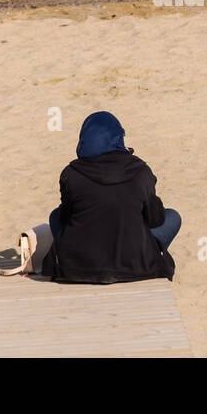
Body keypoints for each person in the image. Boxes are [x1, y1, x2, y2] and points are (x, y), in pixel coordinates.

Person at [41, 111, 179, 284]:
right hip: (135, 264)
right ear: (118, 139)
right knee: (173, 217)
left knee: (55, 215)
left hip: (79, 267)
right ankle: (137, 254)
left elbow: (65, 218)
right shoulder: (140, 171)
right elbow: (155, 219)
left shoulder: (71, 174)